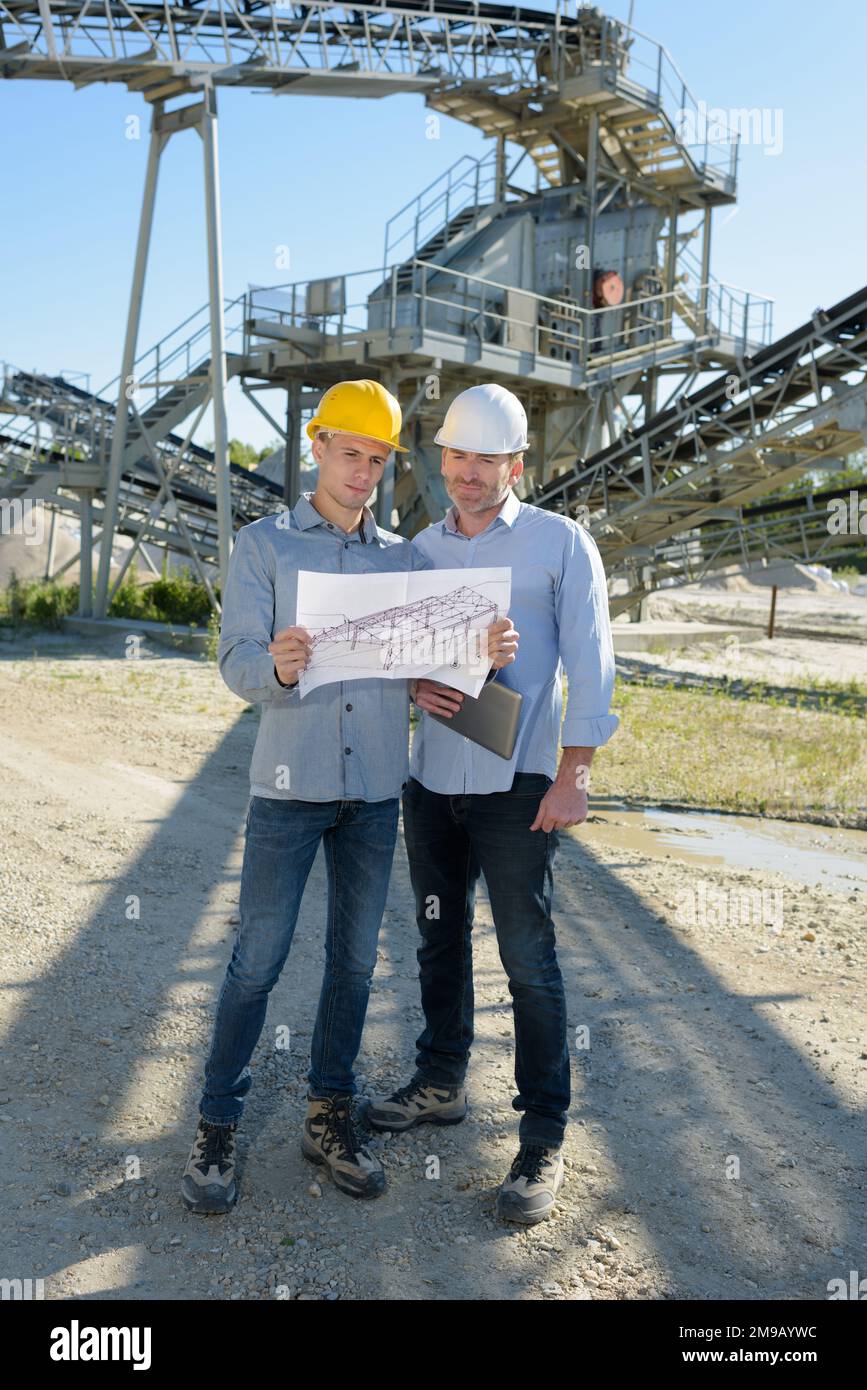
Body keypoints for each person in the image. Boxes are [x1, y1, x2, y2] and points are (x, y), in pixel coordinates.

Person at [181, 377, 515, 1212]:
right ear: (318, 447)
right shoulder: (264, 546)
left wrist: (475, 655)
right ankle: (217, 1124)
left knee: (354, 966)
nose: (362, 472)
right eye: (350, 453)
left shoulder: (399, 559)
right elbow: (235, 664)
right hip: (288, 792)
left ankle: (328, 1117)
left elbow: (415, 671)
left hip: (371, 793)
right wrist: (279, 666)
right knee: (256, 961)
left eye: (376, 459)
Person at [364, 382, 620, 1226]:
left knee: (527, 959)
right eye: (456, 457)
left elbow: (591, 658)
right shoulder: (414, 551)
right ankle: (440, 1082)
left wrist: (573, 771)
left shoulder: (558, 544)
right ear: (441, 459)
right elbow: (395, 653)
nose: (468, 475)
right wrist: (414, 678)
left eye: (487, 460)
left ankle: (542, 1132)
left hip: (518, 786)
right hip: (432, 779)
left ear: (518, 464)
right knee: (437, 940)